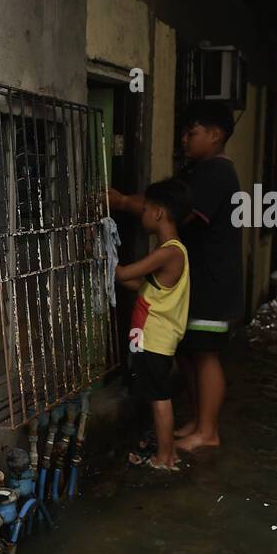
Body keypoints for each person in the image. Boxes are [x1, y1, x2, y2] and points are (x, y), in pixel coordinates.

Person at [110, 101, 241, 452]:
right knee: (191, 352)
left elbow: (175, 211)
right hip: (193, 283)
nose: (184, 139)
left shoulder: (217, 172)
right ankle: (198, 423)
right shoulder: (199, 170)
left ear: (215, 135)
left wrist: (122, 202)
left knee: (206, 354)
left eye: (192, 132)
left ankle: (207, 430)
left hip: (212, 282)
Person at [116, 179, 191, 470]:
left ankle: (166, 457)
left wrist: (101, 254)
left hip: (155, 338)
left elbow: (124, 275)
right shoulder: (173, 251)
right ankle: (163, 450)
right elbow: (140, 284)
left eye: (145, 208)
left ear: (158, 213)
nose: (142, 213)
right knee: (153, 392)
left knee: (160, 397)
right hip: (149, 336)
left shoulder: (168, 252)